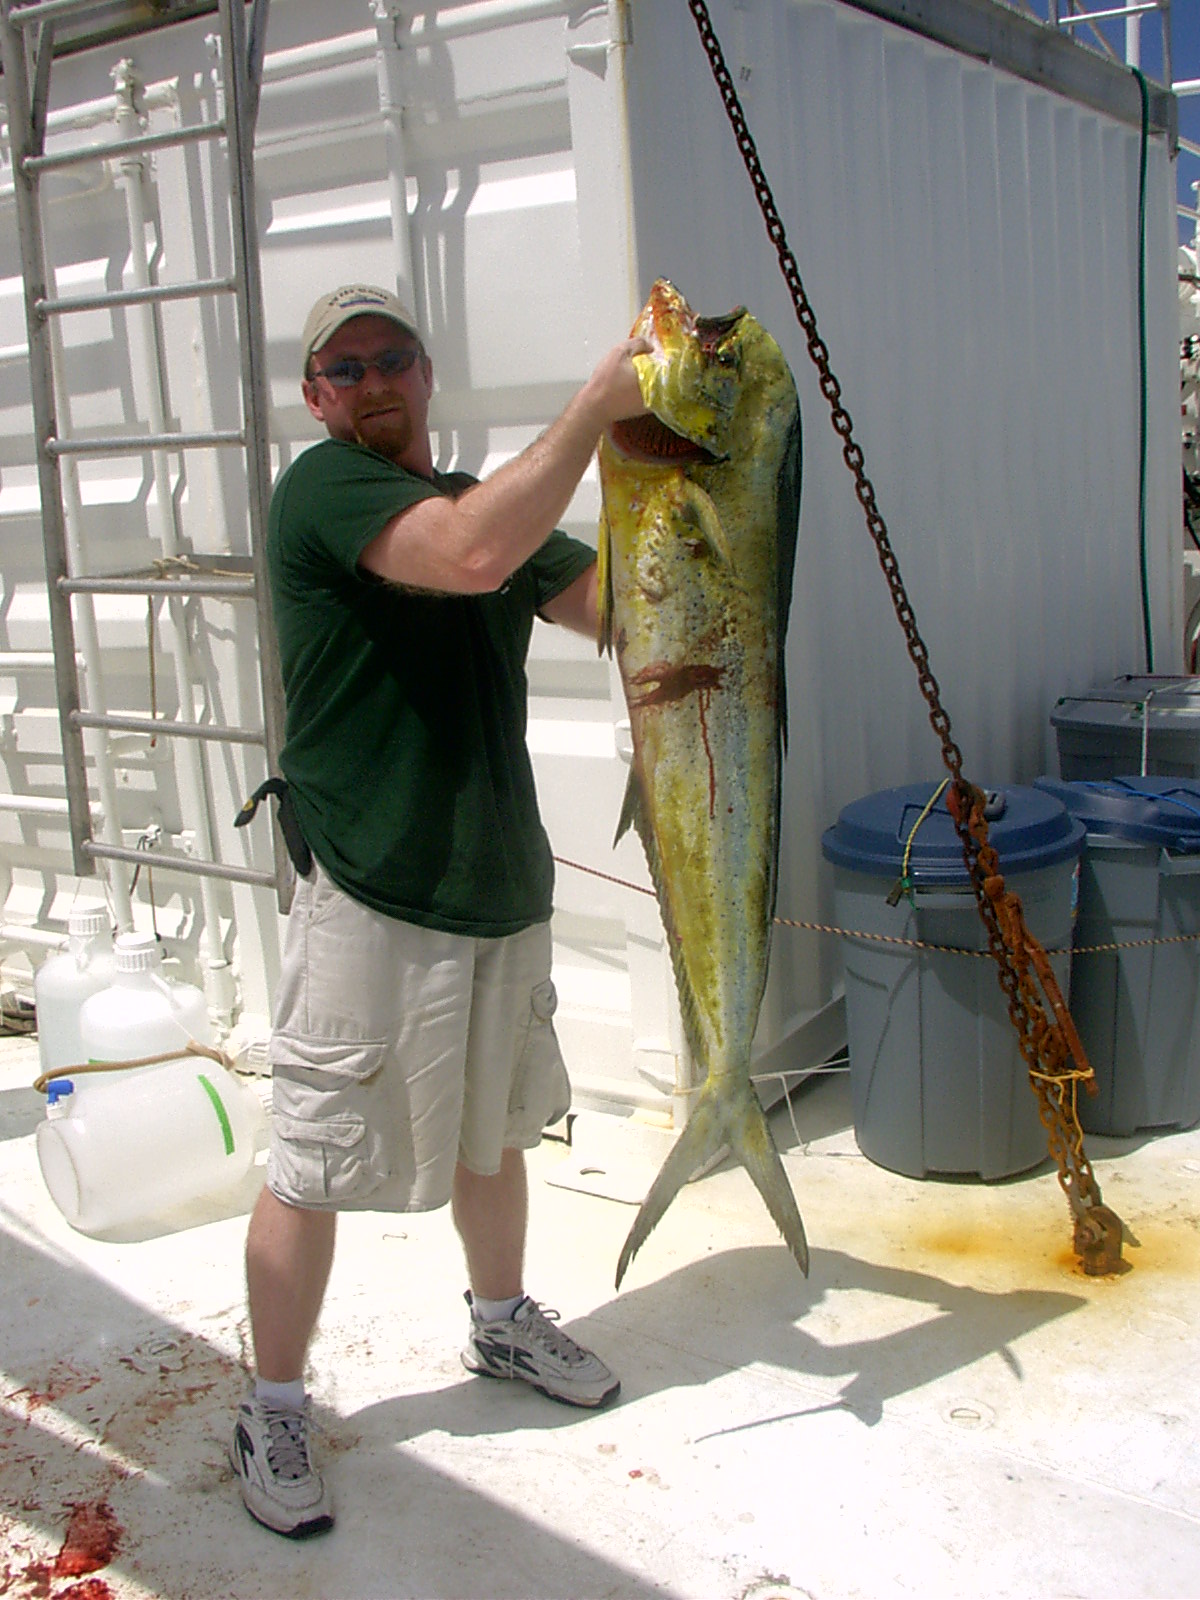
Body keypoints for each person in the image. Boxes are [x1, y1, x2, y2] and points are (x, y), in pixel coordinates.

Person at [228, 284, 649, 1539]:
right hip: (370, 885)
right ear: (315, 398)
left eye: (391, 358)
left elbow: (618, 608)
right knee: (312, 1159)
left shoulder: (484, 504)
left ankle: (500, 1321)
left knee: (497, 1130)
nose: (371, 382)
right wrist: (591, 408)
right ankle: (273, 1399)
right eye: (342, 367)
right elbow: (468, 555)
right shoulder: (324, 493)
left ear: (428, 373)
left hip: (498, 884)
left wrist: (694, 478)